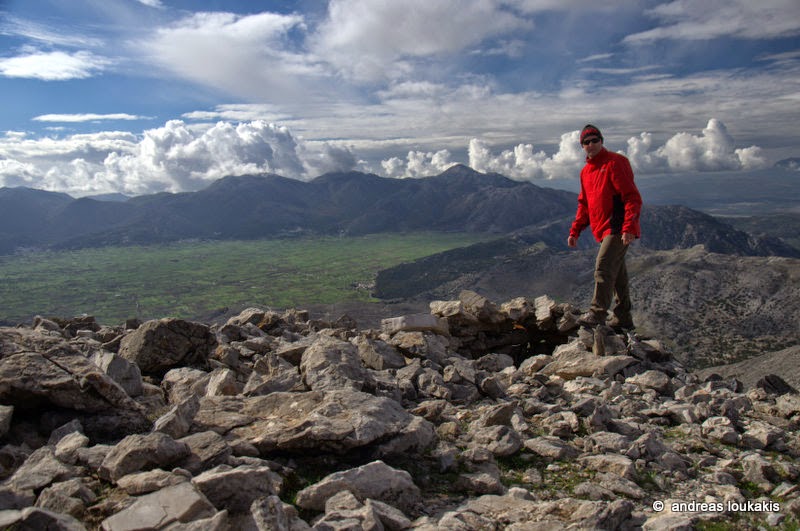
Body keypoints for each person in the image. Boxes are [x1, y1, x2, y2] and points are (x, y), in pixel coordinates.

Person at [567, 124, 642, 330]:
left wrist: (628, 226)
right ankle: (623, 318)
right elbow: (585, 204)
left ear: (601, 141)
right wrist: (575, 231)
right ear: (582, 146)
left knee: (603, 267)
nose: (591, 145)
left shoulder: (616, 163)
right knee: (618, 276)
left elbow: (631, 197)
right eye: (586, 142)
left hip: (617, 226)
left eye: (594, 140)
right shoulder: (586, 172)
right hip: (602, 229)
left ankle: (597, 313)